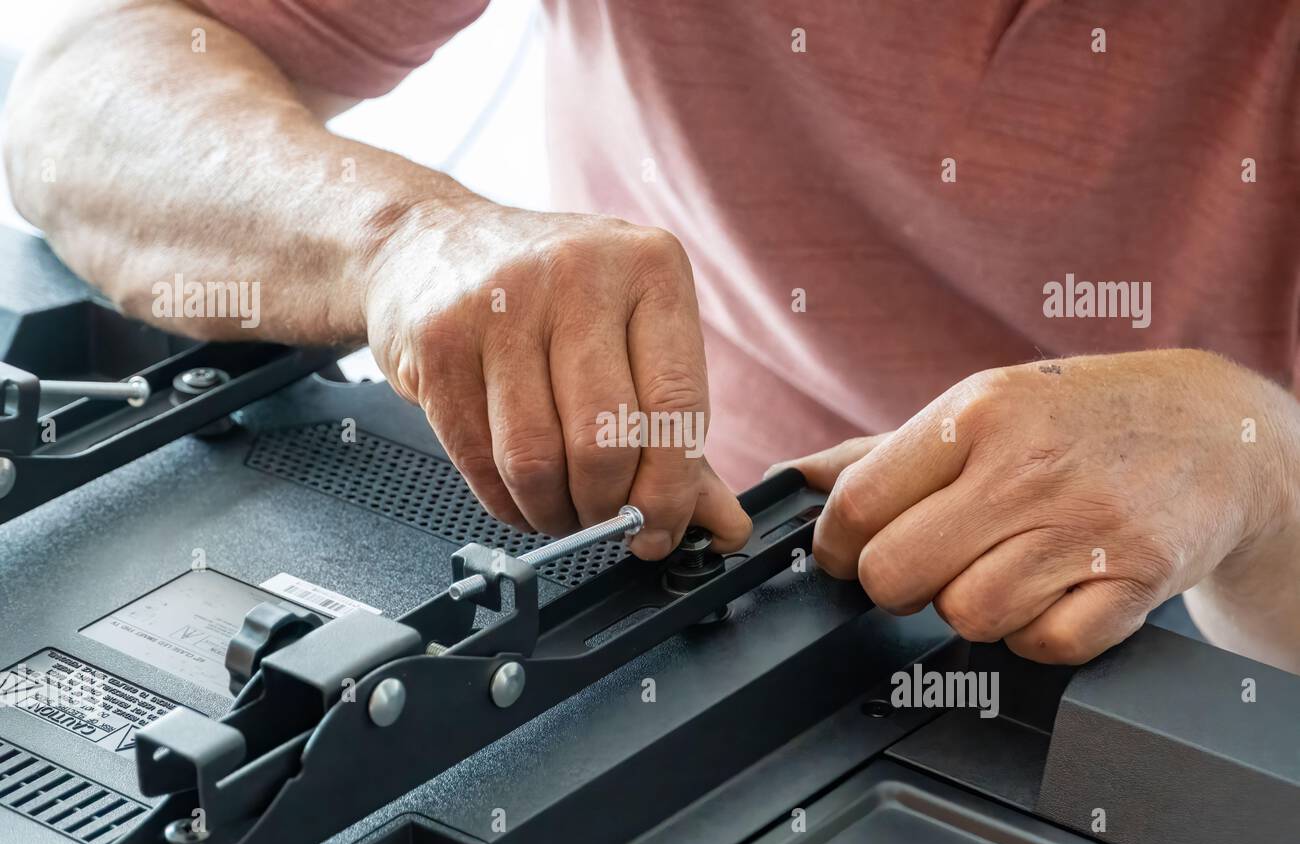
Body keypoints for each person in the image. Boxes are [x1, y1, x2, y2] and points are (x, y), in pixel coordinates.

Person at [5, 0, 1298, 672]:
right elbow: (91, 86)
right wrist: (402, 236)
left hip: (1232, 613)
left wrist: (1262, 474)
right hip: (668, 536)